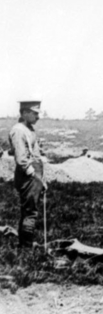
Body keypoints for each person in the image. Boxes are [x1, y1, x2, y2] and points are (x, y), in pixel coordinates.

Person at [9, 100, 46, 248]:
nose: (38, 117)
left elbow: (36, 154)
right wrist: (35, 177)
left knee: (30, 210)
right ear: (24, 113)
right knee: (30, 212)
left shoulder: (29, 129)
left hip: (35, 172)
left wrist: (42, 178)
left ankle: (25, 245)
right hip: (28, 174)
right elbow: (21, 159)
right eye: (35, 113)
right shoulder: (18, 130)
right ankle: (26, 248)